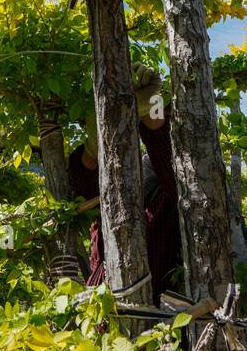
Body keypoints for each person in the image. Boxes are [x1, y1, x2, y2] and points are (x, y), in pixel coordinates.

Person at [67, 64, 181, 302]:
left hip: (158, 307)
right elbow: (81, 193)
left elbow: (174, 168)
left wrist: (153, 108)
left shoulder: (165, 171)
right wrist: (93, 146)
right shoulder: (109, 176)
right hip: (104, 302)